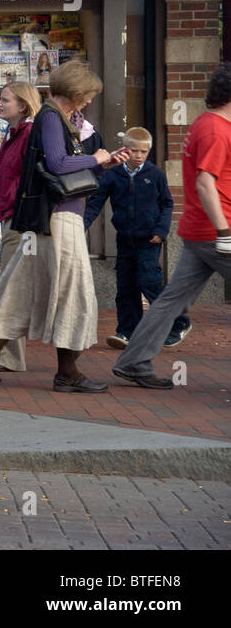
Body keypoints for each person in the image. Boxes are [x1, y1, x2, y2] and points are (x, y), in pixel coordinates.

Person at [0, 60, 128, 393]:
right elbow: (57, 164)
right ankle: (65, 373)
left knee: (29, 286)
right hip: (59, 217)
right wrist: (96, 159)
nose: (88, 102)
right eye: (86, 96)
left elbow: (60, 166)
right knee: (73, 293)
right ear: (76, 92)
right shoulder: (53, 117)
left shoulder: (50, 118)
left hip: (50, 217)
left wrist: (102, 161)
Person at [114, 64, 231, 389]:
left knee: (167, 302)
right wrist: (224, 233)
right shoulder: (217, 130)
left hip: (198, 231)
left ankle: (133, 361)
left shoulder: (204, 125)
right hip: (216, 232)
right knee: (168, 301)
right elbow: (206, 182)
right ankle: (134, 361)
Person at [85, 126, 190, 350]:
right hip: (125, 240)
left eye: (143, 152)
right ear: (125, 150)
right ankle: (127, 331)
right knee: (126, 287)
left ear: (148, 152)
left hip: (149, 240)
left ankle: (178, 323)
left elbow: (168, 204)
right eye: (134, 151)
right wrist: (81, 225)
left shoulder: (155, 175)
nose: (138, 156)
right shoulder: (113, 174)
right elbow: (96, 202)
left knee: (149, 282)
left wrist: (161, 231)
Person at [0, 81, 44, 373]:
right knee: (14, 286)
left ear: (22, 105)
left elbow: (31, 177)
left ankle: (5, 352)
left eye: (4, 99)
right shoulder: (14, 133)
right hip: (10, 216)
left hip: (18, 219)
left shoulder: (28, 133)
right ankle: (10, 355)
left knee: (13, 286)